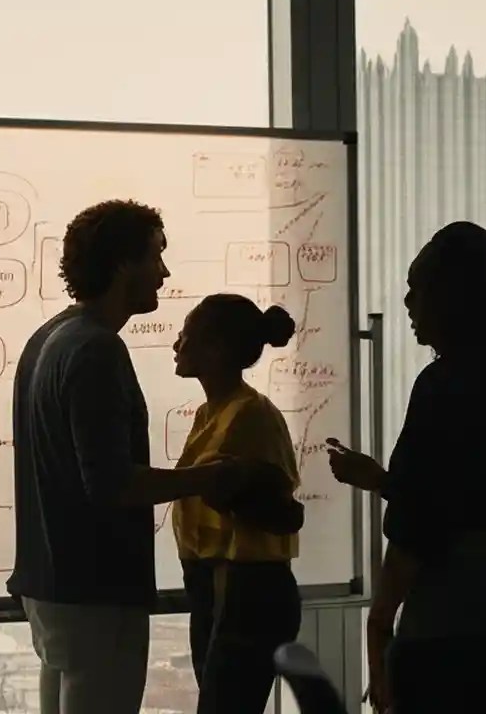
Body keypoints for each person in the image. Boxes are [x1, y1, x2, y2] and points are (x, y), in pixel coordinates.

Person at [7, 200, 257, 714]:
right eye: (156, 256)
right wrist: (210, 478)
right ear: (122, 263)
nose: (164, 272)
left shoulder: (46, 339)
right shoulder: (97, 349)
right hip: (94, 589)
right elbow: (112, 484)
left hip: (51, 584)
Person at [326, 221, 486, 712]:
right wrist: (388, 482)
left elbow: (423, 516)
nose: (409, 304)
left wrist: (379, 632)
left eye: (418, 290)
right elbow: (473, 493)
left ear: (450, 298)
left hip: (459, 601)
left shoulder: (443, 384)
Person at [170, 294, 305, 714]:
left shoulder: (251, 415)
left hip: (246, 590)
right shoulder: (209, 413)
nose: (176, 345)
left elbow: (283, 510)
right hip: (213, 587)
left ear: (216, 350)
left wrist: (227, 491)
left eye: (186, 336)